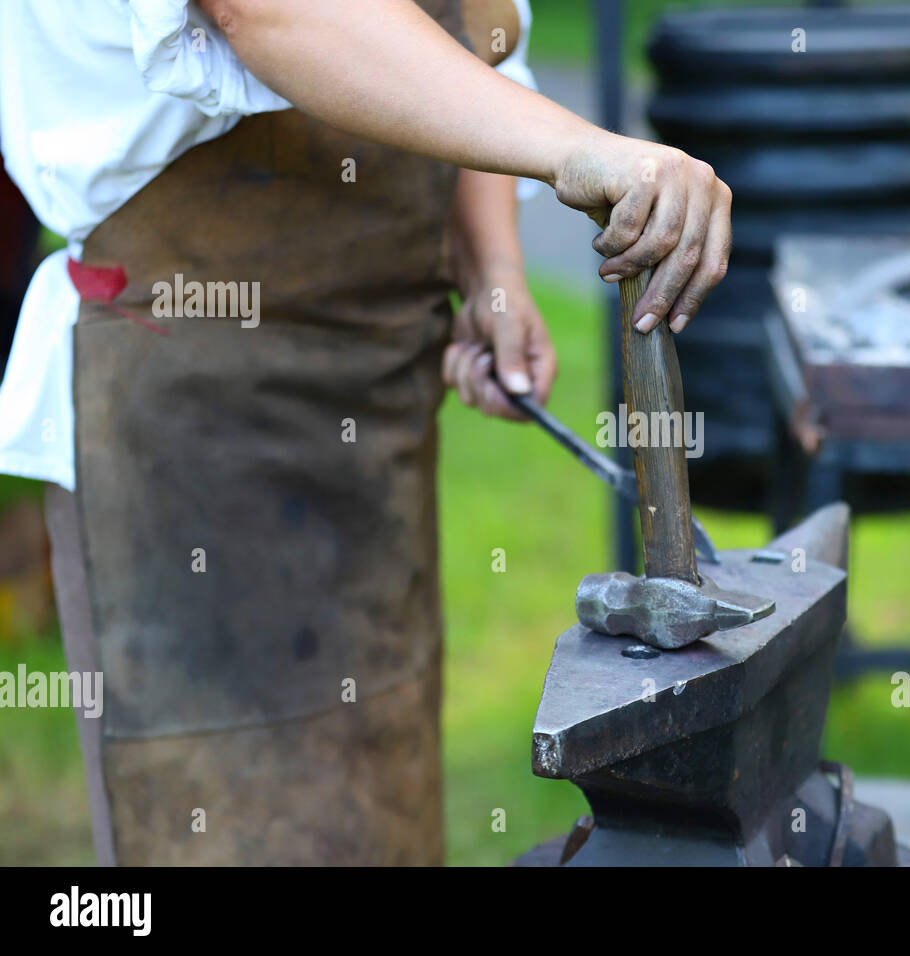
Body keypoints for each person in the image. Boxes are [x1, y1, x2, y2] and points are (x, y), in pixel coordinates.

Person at [0, 0, 731, 865]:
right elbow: (268, 12)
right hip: (191, 399)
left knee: (374, 811)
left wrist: (492, 269)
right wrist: (582, 148)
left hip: (376, 405)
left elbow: (472, 38)